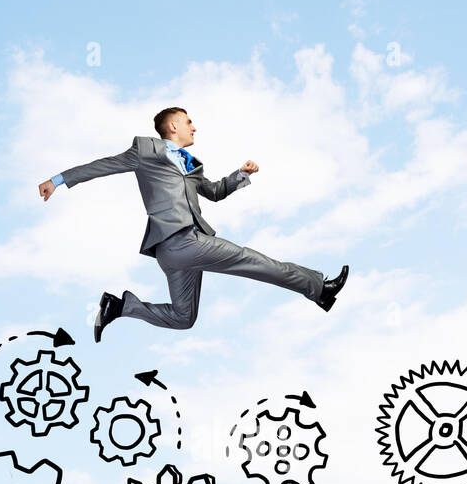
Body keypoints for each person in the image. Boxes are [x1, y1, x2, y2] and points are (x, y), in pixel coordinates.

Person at [39, 106, 349, 341]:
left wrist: (241, 175)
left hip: (178, 252)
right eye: (189, 122)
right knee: (251, 260)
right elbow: (103, 166)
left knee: (183, 317)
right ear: (173, 126)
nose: (194, 128)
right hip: (180, 240)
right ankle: (319, 288)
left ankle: (120, 308)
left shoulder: (188, 161)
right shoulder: (146, 151)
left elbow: (213, 192)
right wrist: (58, 180)